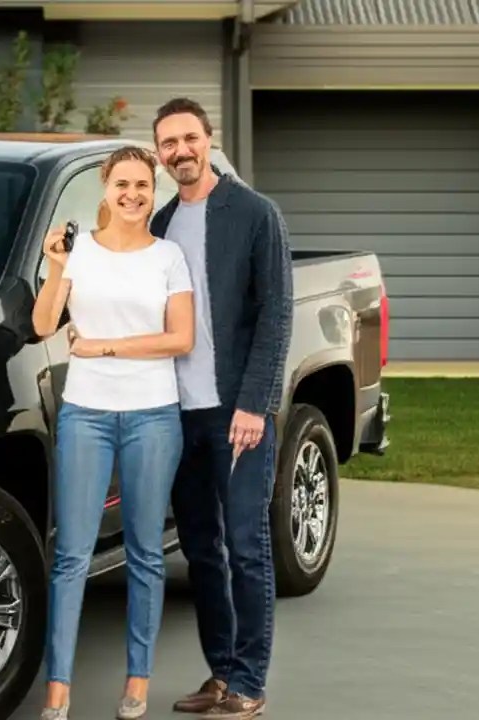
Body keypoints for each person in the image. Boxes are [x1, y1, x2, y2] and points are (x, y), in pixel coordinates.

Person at [32, 146, 197, 720]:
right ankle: (58, 689)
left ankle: (137, 682)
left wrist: (106, 346)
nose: (133, 194)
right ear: (104, 188)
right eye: (123, 183)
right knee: (72, 555)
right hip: (86, 414)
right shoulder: (79, 256)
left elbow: (180, 339)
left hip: (154, 414)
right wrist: (56, 268)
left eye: (143, 186)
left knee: (146, 554)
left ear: (154, 192)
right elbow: (42, 322)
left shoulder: (169, 257)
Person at [149, 98, 293, 720]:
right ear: (159, 154)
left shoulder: (255, 213)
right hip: (179, 416)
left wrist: (254, 405)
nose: (179, 151)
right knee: (201, 549)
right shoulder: (157, 225)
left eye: (188, 138)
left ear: (208, 139)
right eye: (167, 143)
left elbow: (276, 313)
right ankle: (220, 674)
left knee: (246, 544)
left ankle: (250, 683)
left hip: (237, 414)